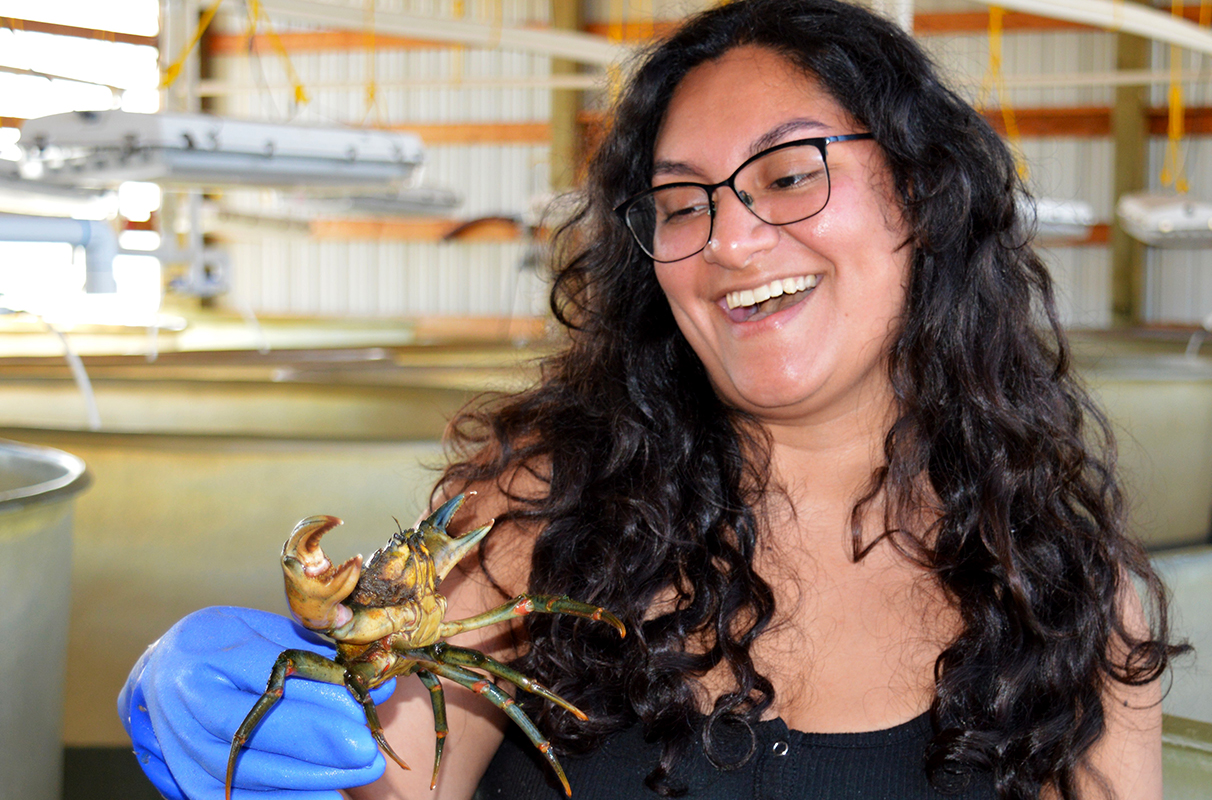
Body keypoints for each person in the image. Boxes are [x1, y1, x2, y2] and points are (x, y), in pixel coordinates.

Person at [119, 1, 1187, 798]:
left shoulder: (1071, 599)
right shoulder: (542, 507)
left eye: (787, 174)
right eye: (681, 203)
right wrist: (249, 739)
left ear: (922, 191)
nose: (727, 238)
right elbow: (386, 784)